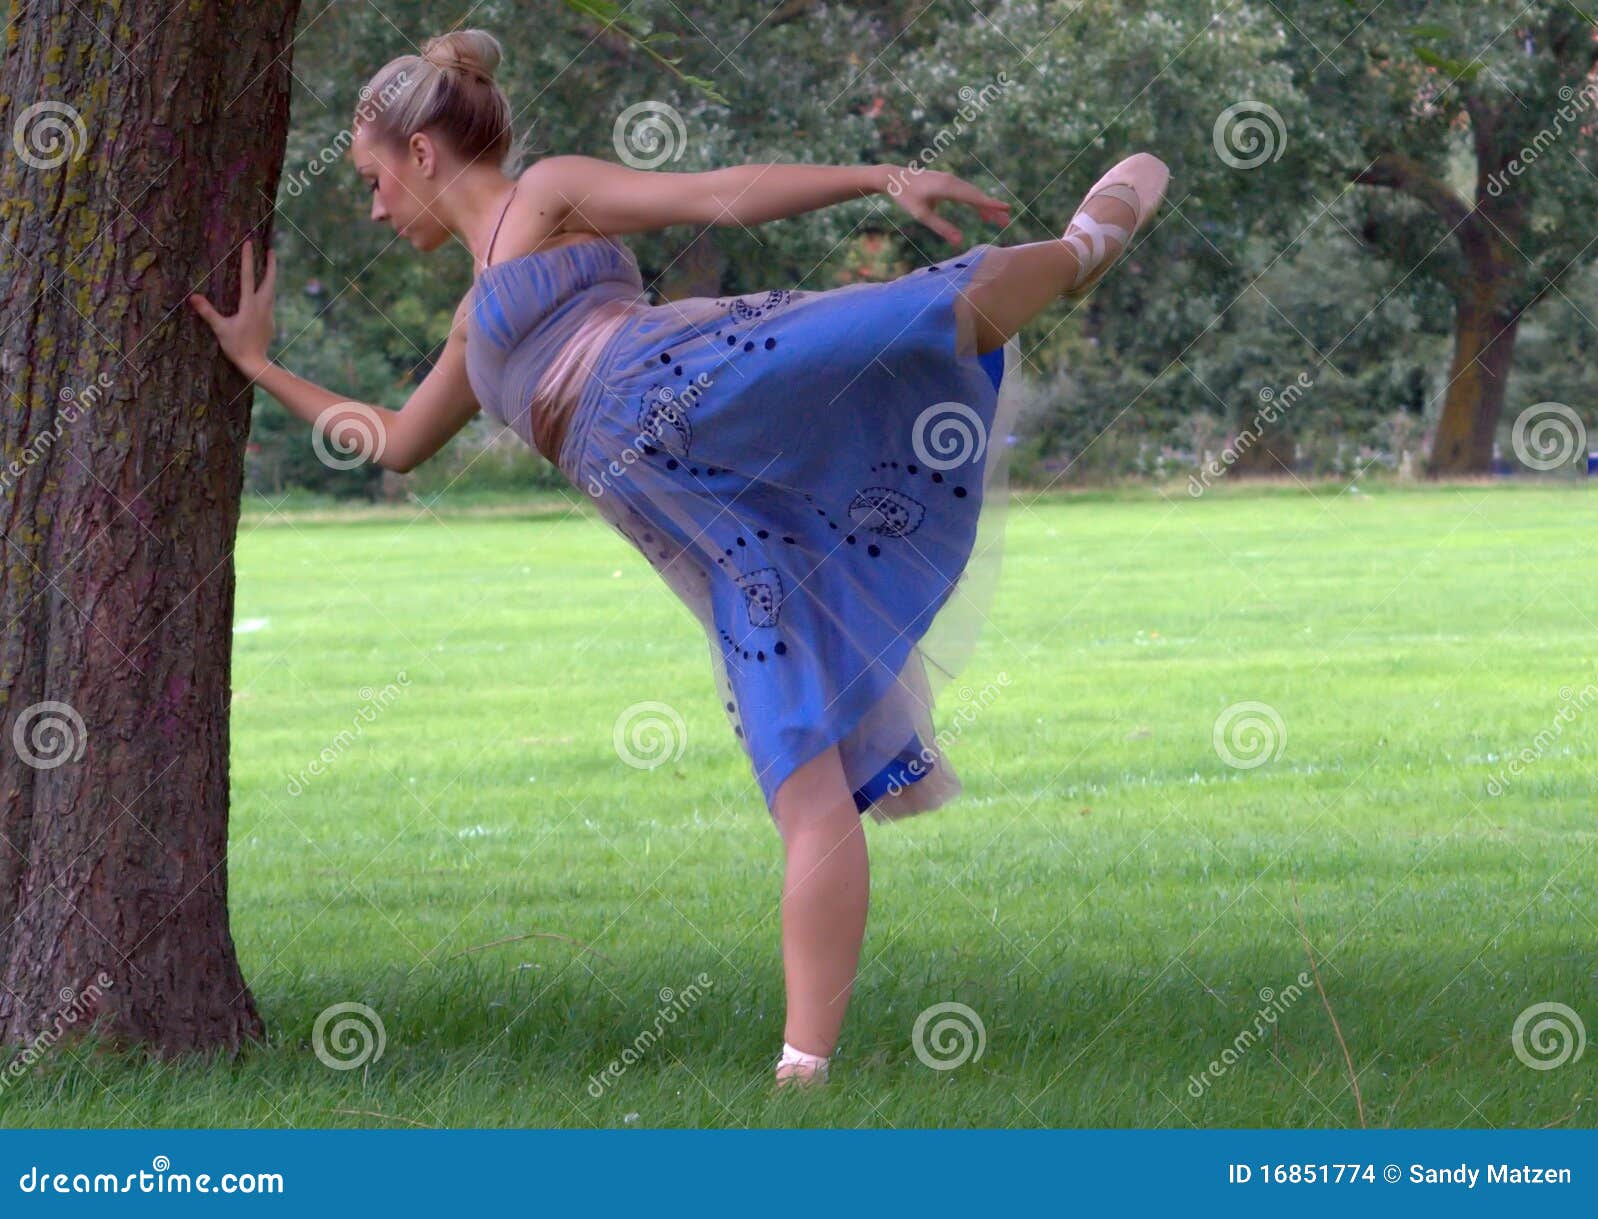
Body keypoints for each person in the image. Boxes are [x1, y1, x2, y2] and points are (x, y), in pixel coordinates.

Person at [188, 28, 1169, 1093]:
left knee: (909, 318)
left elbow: (718, 196)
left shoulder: (545, 196)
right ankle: (804, 1072)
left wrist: (882, 176)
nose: (376, 210)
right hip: (719, 530)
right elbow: (392, 441)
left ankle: (1078, 252)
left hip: (706, 378)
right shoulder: (473, 324)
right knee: (800, 763)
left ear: (421, 152)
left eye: (373, 180)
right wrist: (259, 364)